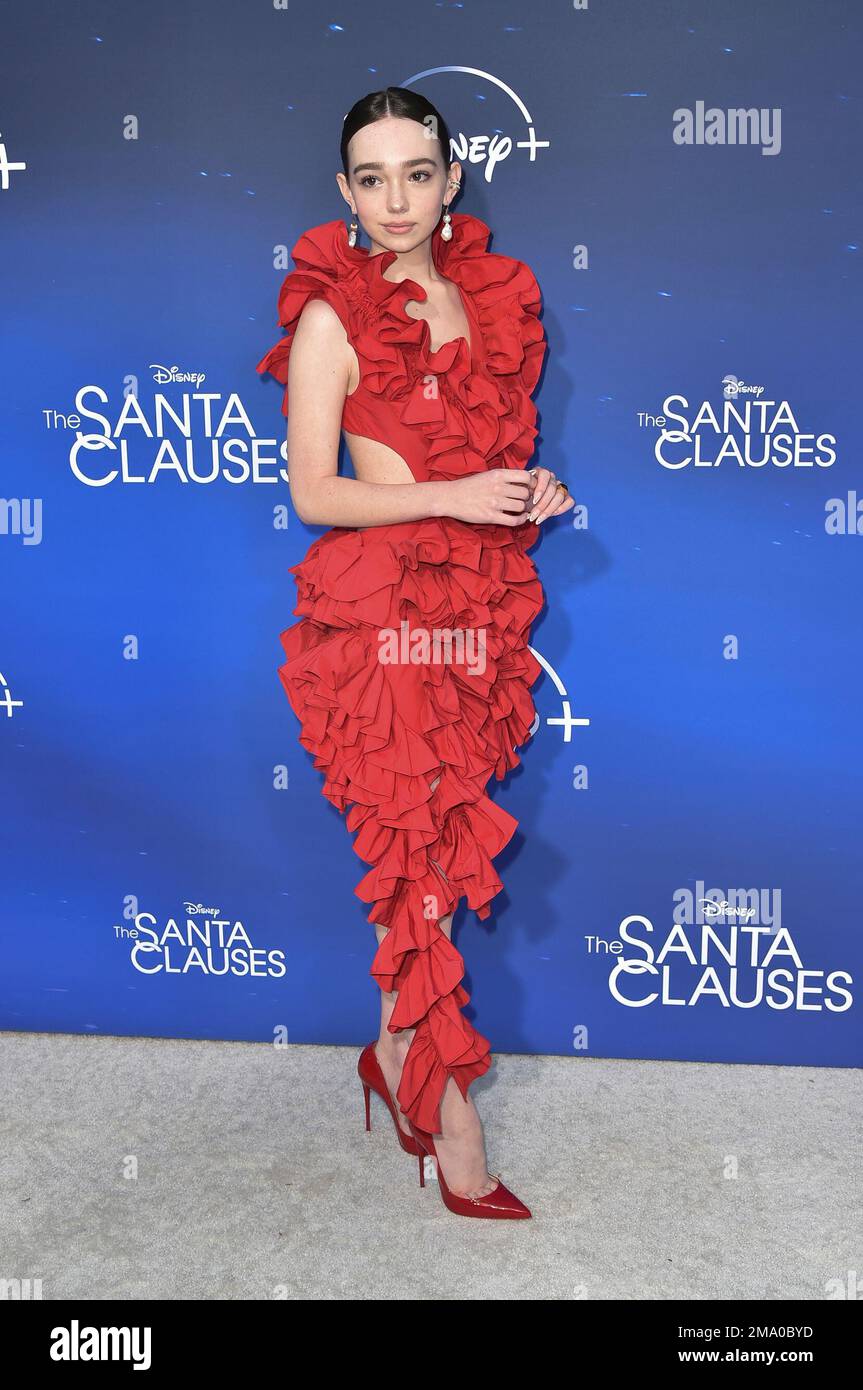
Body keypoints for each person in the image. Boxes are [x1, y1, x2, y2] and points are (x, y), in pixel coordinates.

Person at [257, 86, 574, 1219]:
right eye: (371, 177)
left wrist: (530, 491)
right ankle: (453, 1123)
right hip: (382, 614)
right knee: (413, 868)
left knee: (434, 860)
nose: (396, 198)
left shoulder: (493, 300)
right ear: (345, 191)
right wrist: (451, 491)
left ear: (450, 179)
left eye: (417, 173)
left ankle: (390, 1060)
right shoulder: (330, 318)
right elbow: (311, 492)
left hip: (477, 612)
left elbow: (492, 460)